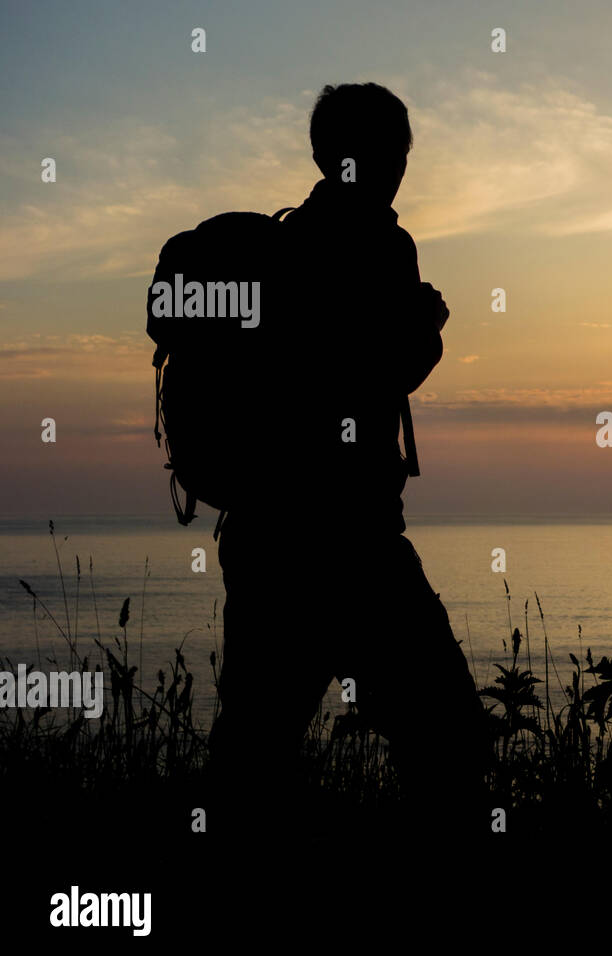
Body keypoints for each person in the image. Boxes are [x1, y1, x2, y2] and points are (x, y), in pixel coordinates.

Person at [207, 83, 485, 835]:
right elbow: (376, 372)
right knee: (450, 739)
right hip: (353, 544)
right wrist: (427, 325)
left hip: (266, 539)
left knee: (250, 754)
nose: (400, 165)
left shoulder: (284, 244)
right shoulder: (381, 244)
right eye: (394, 149)